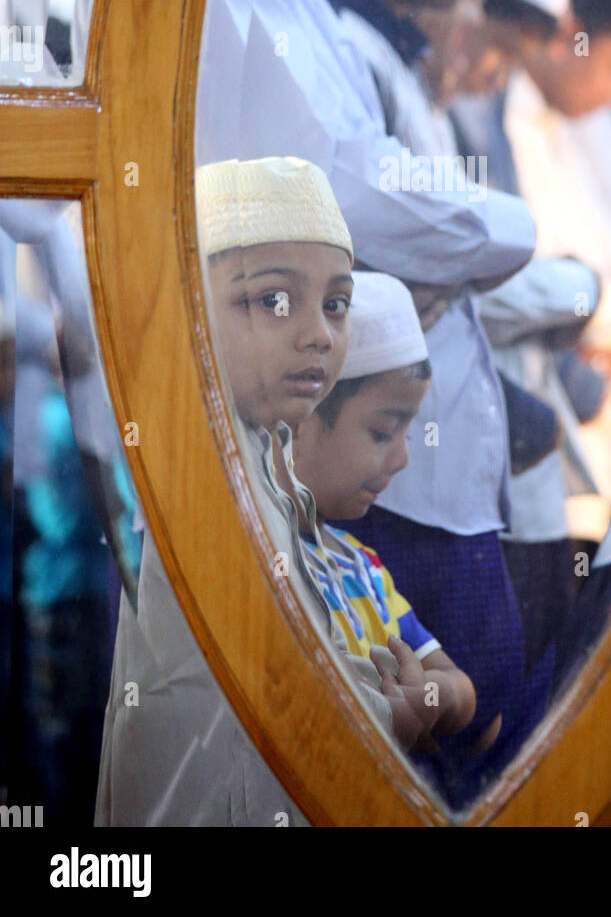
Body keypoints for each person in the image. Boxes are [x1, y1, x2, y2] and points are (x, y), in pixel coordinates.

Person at [313, 0, 539, 778]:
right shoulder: (340, 49)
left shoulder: (382, 52)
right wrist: (507, 242)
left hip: (431, 490)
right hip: (399, 499)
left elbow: (429, 250)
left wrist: (451, 254)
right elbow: (387, 240)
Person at [95, 157, 415, 826]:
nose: (319, 333)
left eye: (336, 304)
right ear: (191, 309)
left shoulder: (261, 451)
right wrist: (394, 712)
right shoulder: (200, 457)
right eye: (272, 300)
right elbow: (289, 682)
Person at [293, 270, 477, 750]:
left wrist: (430, 699)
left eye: (407, 433)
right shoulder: (261, 563)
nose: (402, 458)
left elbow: (456, 684)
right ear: (297, 421)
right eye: (381, 433)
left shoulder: (362, 566)